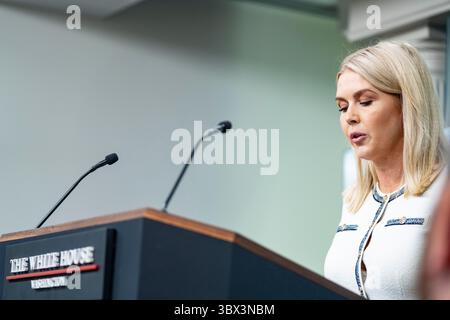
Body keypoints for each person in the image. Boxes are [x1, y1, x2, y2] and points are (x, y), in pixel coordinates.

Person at [324, 41, 449, 300]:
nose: (350, 117)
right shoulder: (354, 201)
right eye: (342, 107)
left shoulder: (443, 193)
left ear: (407, 104)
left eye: (366, 101)